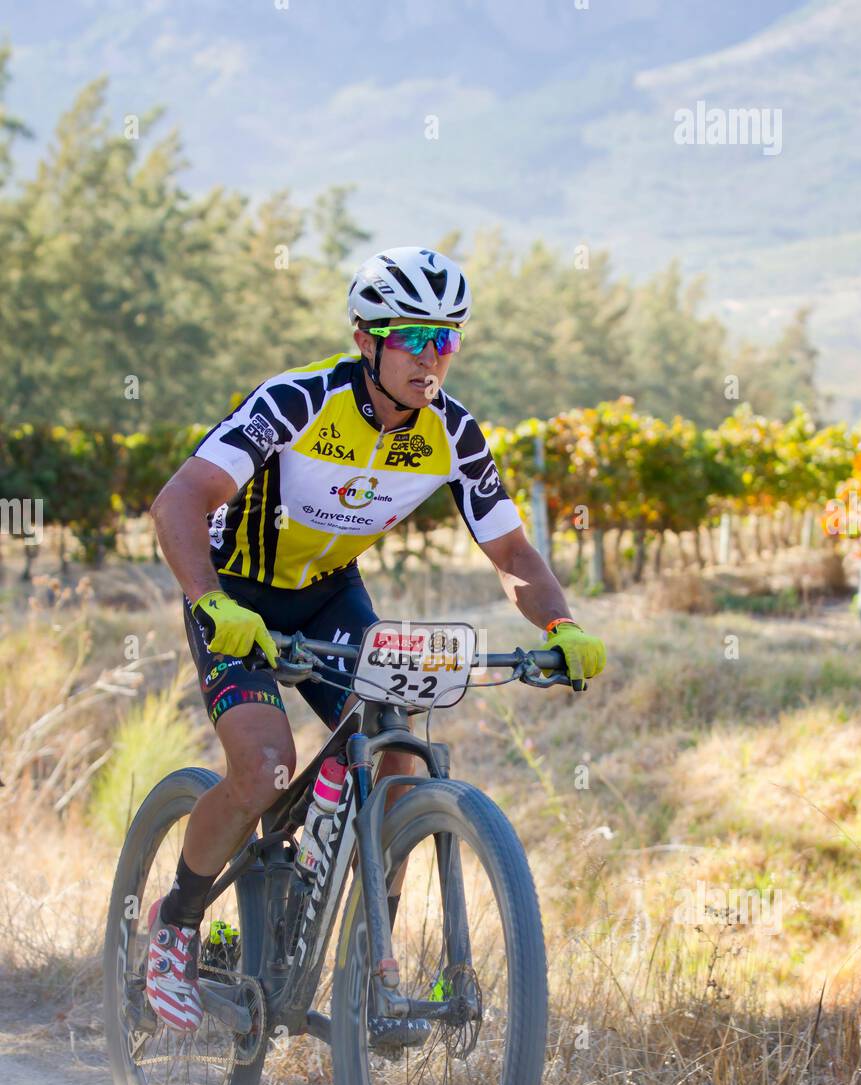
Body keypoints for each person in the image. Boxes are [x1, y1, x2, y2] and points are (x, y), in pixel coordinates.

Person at [146, 245, 606, 1032]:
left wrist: (560, 624)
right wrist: (210, 601)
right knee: (263, 764)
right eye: (415, 339)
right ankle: (176, 924)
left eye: (447, 339)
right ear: (367, 338)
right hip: (236, 592)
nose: (434, 357)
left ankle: (370, 963)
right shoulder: (295, 402)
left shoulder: (453, 433)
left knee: (398, 756)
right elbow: (178, 502)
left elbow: (510, 551)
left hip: (329, 595)